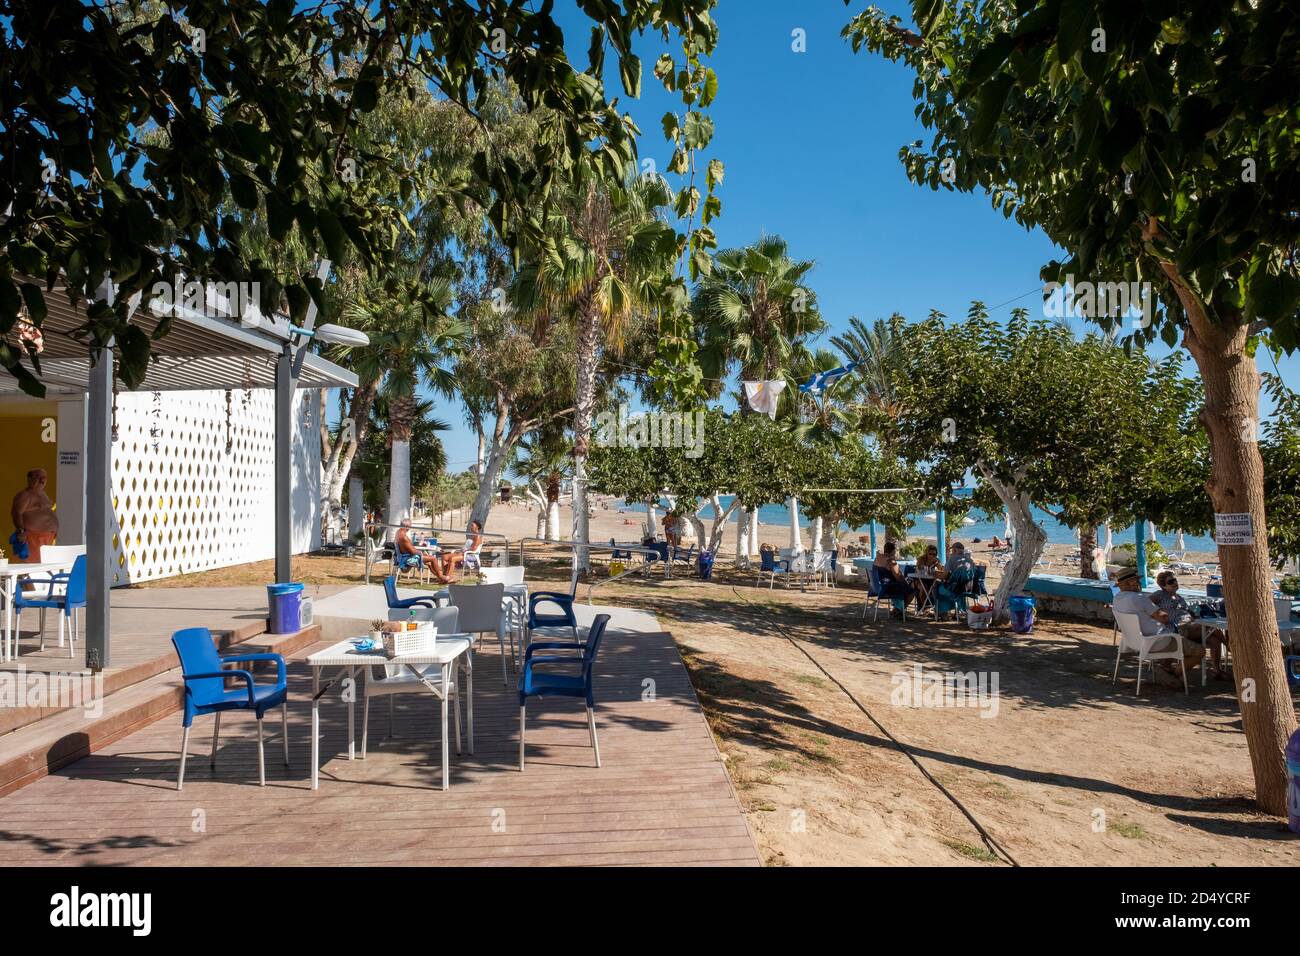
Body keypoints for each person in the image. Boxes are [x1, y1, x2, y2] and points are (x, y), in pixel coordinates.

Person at [1112, 567, 1204, 686]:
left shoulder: (1117, 598)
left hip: (1133, 642)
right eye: (1137, 580)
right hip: (1157, 641)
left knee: (1181, 636)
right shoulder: (1139, 598)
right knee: (1200, 651)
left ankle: (1167, 668)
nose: (1139, 583)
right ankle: (1172, 675)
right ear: (1130, 583)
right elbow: (1164, 618)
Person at [1152, 570, 1229, 680]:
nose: (1175, 582)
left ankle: (1217, 670)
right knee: (1212, 627)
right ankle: (1229, 647)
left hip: (1190, 626)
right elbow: (1146, 605)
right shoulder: (1159, 595)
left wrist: (1195, 615)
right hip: (1178, 628)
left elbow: (1189, 613)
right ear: (1163, 585)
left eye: (1175, 580)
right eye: (1171, 581)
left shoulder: (1179, 597)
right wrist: (1156, 616)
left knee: (1214, 640)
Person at [10, 468, 57, 564]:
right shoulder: (25, 495)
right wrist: (21, 530)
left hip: (47, 537)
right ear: (29, 479)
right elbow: (16, 513)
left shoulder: (43, 493)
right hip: (32, 537)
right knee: (31, 565)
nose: (42, 480)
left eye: (44, 478)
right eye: (38, 477)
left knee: (43, 564)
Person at [872, 541, 916, 613]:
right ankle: (898, 610)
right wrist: (905, 583)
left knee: (902, 586)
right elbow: (898, 577)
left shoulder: (878, 557)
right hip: (887, 588)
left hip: (876, 587)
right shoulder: (891, 562)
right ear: (893, 551)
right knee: (911, 591)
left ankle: (897, 607)